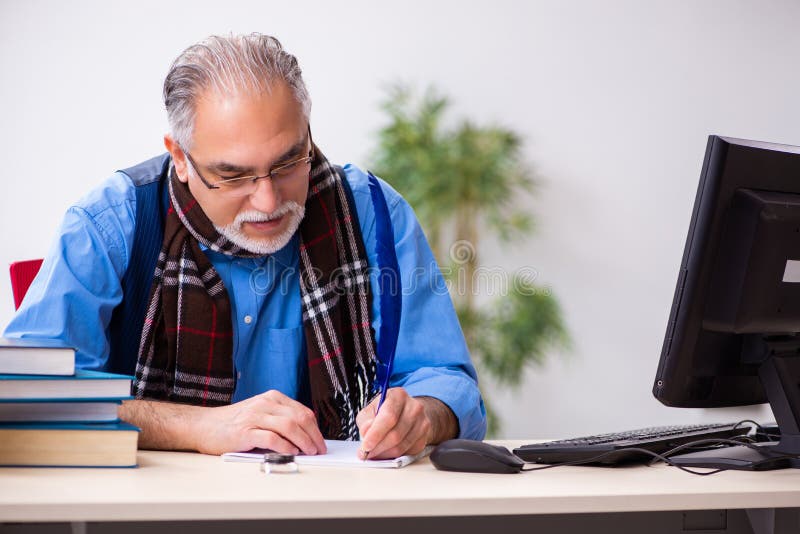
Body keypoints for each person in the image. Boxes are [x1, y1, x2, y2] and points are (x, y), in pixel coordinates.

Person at [4, 33, 486, 459]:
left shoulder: (374, 214)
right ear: (182, 157)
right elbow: (27, 396)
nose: (268, 200)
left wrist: (424, 415)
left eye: (289, 161)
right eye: (232, 175)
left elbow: (449, 384)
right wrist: (197, 426)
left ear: (308, 133)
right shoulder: (110, 222)